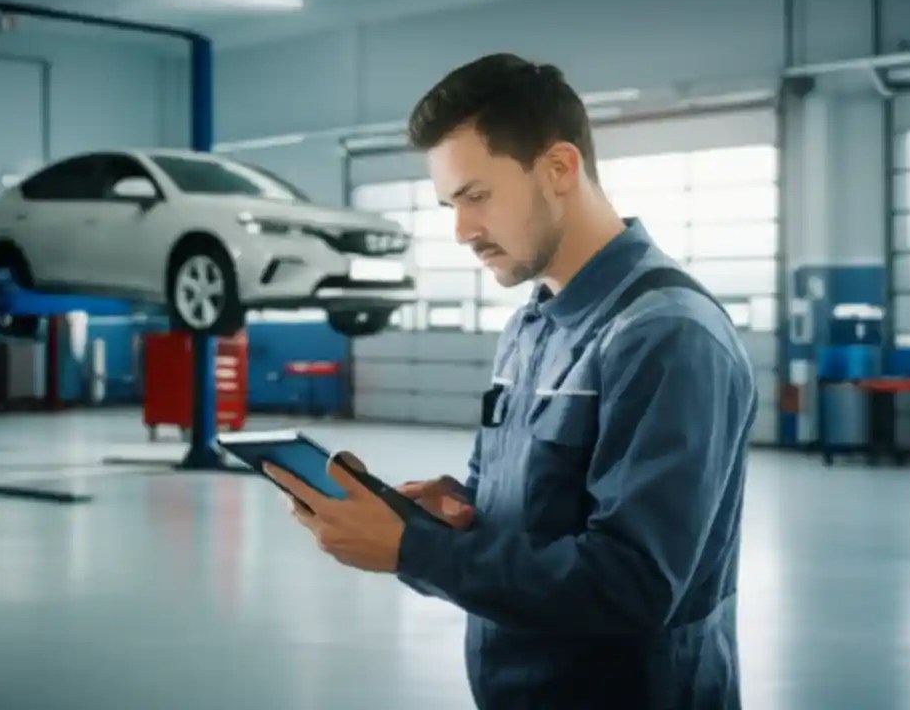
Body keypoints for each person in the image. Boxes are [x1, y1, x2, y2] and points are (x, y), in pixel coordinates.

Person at [265, 53, 757, 709]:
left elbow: (636, 584)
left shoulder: (665, 336)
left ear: (558, 168)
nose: (462, 231)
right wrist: (449, 517)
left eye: (476, 197)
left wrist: (416, 552)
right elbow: (540, 523)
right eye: (449, 204)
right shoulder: (532, 326)